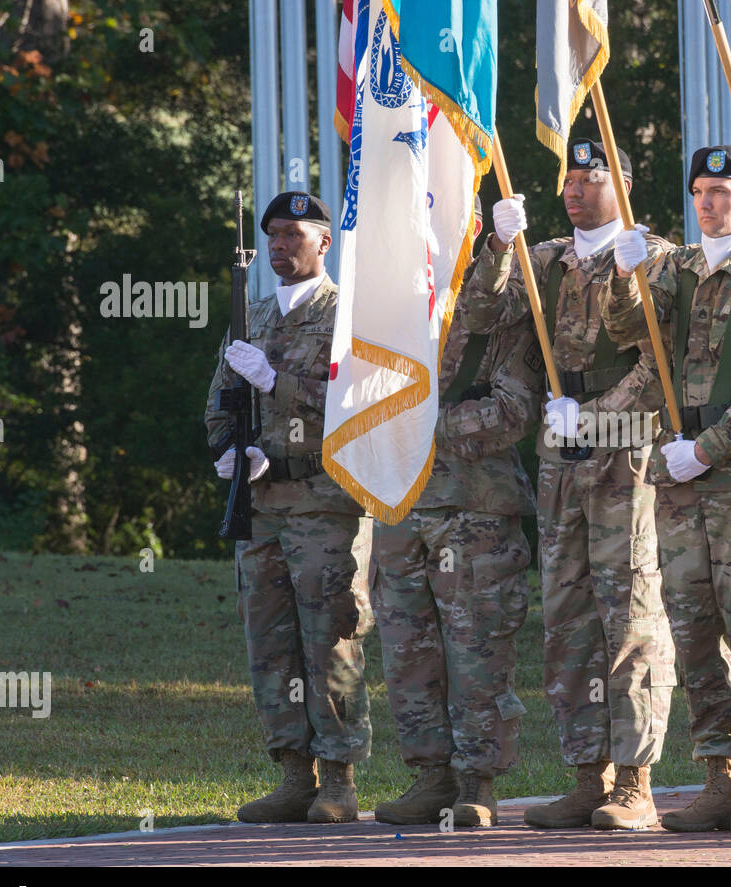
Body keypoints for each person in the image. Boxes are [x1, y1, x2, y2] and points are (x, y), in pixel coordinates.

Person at [460, 138, 678, 831]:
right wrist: (498, 249)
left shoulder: (652, 257)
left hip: (626, 448)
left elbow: (660, 362)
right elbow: (479, 318)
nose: (577, 190)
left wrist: (593, 417)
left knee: (632, 617)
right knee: (569, 617)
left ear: (624, 184)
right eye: (571, 180)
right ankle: (590, 773)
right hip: (562, 449)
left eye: (592, 178)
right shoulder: (543, 258)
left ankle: (636, 781)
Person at [607, 145, 731, 834]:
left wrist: (708, 449)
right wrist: (622, 274)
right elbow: (627, 332)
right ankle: (718, 774)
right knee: (693, 630)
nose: (708, 203)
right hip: (679, 474)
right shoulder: (680, 270)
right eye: (699, 191)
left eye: (722, 191)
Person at [370, 197, 543, 828]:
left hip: (475, 505)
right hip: (400, 499)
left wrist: (427, 427)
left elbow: (514, 411)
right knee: (406, 648)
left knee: (476, 650)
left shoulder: (501, 309)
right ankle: (428, 775)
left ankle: (478, 781)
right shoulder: (390, 309)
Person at [204, 191, 374, 824]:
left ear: (324, 241)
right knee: (268, 641)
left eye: (292, 235)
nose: (279, 247)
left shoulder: (346, 317)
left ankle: (340, 779)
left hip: (325, 502)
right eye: (271, 235)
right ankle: (292, 774)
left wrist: (279, 383)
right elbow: (219, 401)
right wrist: (228, 451)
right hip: (262, 503)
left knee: (329, 637)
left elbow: (362, 403)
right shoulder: (250, 316)